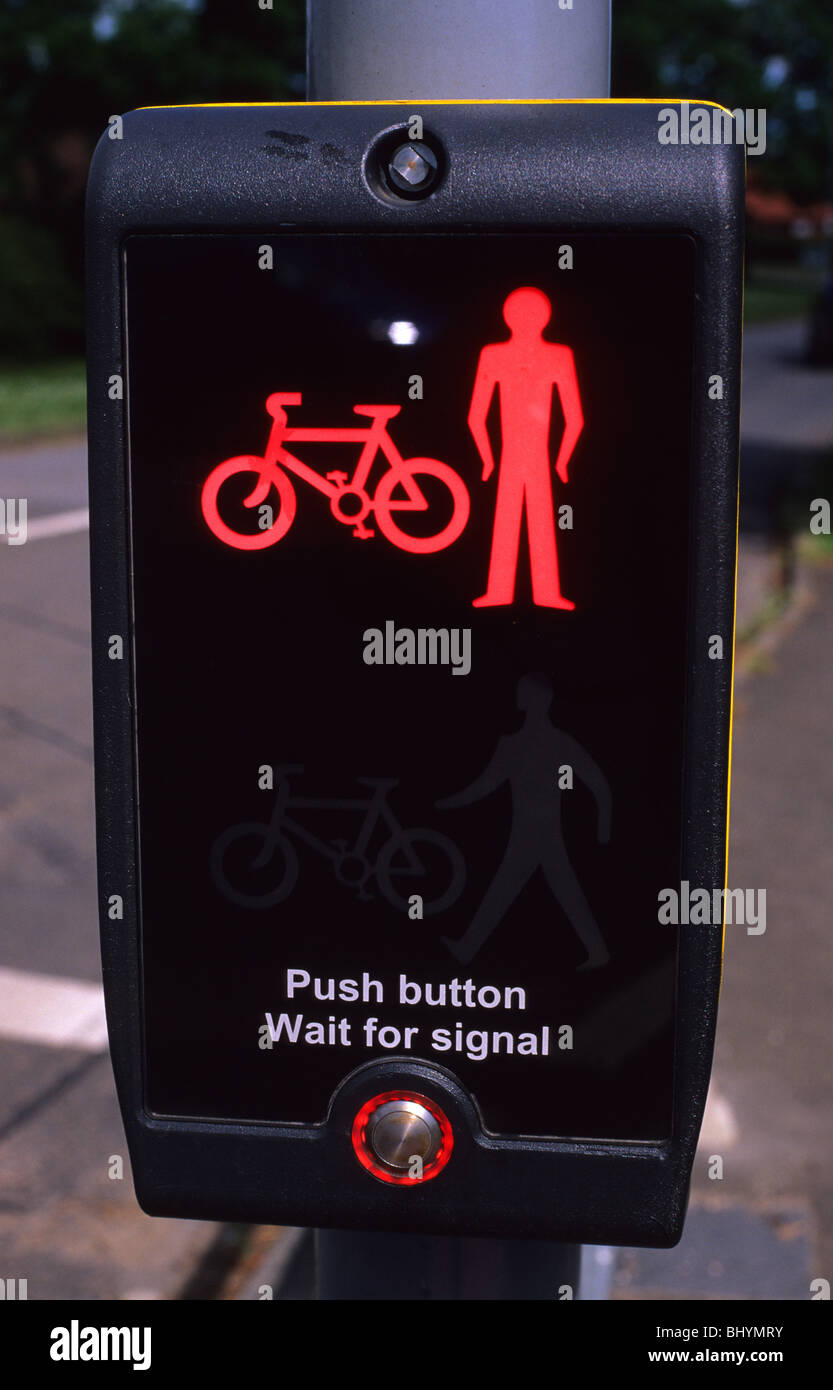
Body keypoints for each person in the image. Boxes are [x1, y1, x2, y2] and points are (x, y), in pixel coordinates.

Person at [468, 286, 583, 608]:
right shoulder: (497, 355)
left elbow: (575, 417)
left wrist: (488, 458)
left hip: (525, 454)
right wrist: (561, 460)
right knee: (524, 519)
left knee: (525, 519)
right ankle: (509, 592)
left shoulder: (556, 355)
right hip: (524, 454)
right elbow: (476, 415)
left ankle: (538, 593)